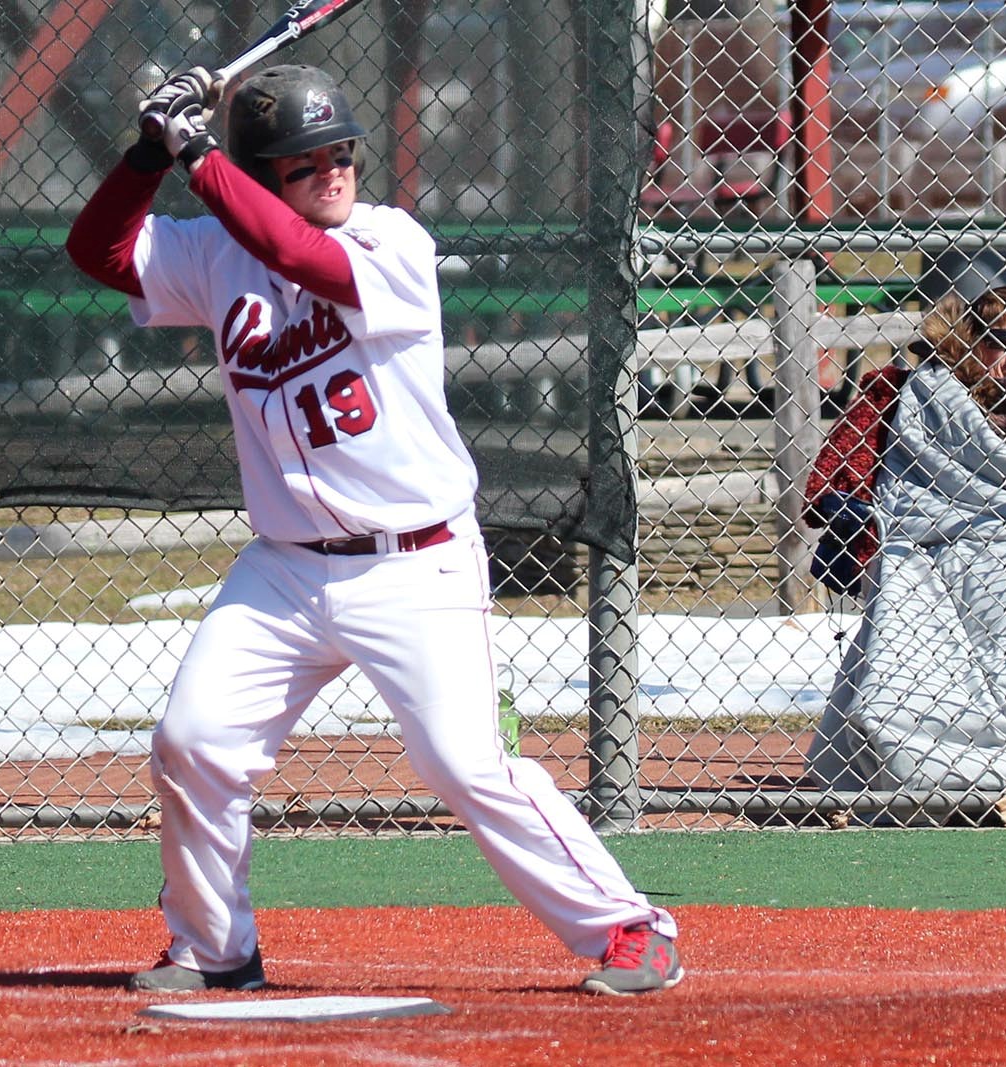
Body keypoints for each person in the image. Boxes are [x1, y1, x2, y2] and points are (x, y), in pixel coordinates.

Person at [65, 64, 681, 996]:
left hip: (414, 561)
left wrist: (196, 152)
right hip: (285, 567)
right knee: (192, 741)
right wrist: (150, 153)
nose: (333, 171)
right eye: (306, 161)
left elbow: (305, 258)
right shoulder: (219, 250)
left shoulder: (390, 241)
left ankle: (631, 928)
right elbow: (97, 252)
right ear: (264, 173)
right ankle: (215, 948)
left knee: (466, 764)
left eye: (341, 151)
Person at [803, 285, 1006, 797]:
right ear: (967, 343)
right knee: (921, 591)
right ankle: (966, 741)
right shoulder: (929, 394)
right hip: (948, 530)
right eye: (1000, 338)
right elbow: (850, 480)